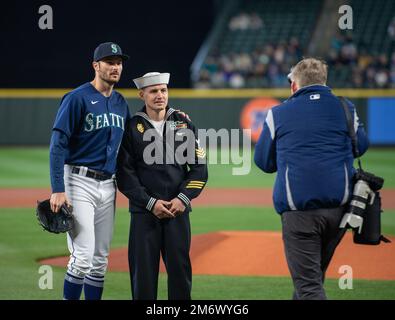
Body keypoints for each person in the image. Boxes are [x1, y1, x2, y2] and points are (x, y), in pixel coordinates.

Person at [254, 58, 369, 300]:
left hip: (299, 213)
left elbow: (263, 162)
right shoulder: (345, 107)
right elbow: (361, 146)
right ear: (324, 81)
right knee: (310, 281)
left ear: (294, 85)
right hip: (339, 211)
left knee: (308, 287)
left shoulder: (278, 113)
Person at [49, 42, 130, 300]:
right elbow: (57, 144)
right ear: (96, 66)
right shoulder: (76, 98)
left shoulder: (120, 102)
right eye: (109, 62)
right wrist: (58, 189)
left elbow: (129, 147)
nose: (115, 67)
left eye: (118, 62)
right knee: (83, 257)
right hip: (78, 182)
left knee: (100, 260)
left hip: (108, 185)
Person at [117, 72, 208, 300]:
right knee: (143, 277)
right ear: (142, 94)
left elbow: (199, 169)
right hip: (144, 214)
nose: (160, 95)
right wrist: (150, 203)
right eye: (154, 91)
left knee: (180, 274)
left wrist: (182, 199)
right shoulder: (131, 127)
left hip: (178, 213)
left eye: (163, 90)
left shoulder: (183, 122)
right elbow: (125, 176)